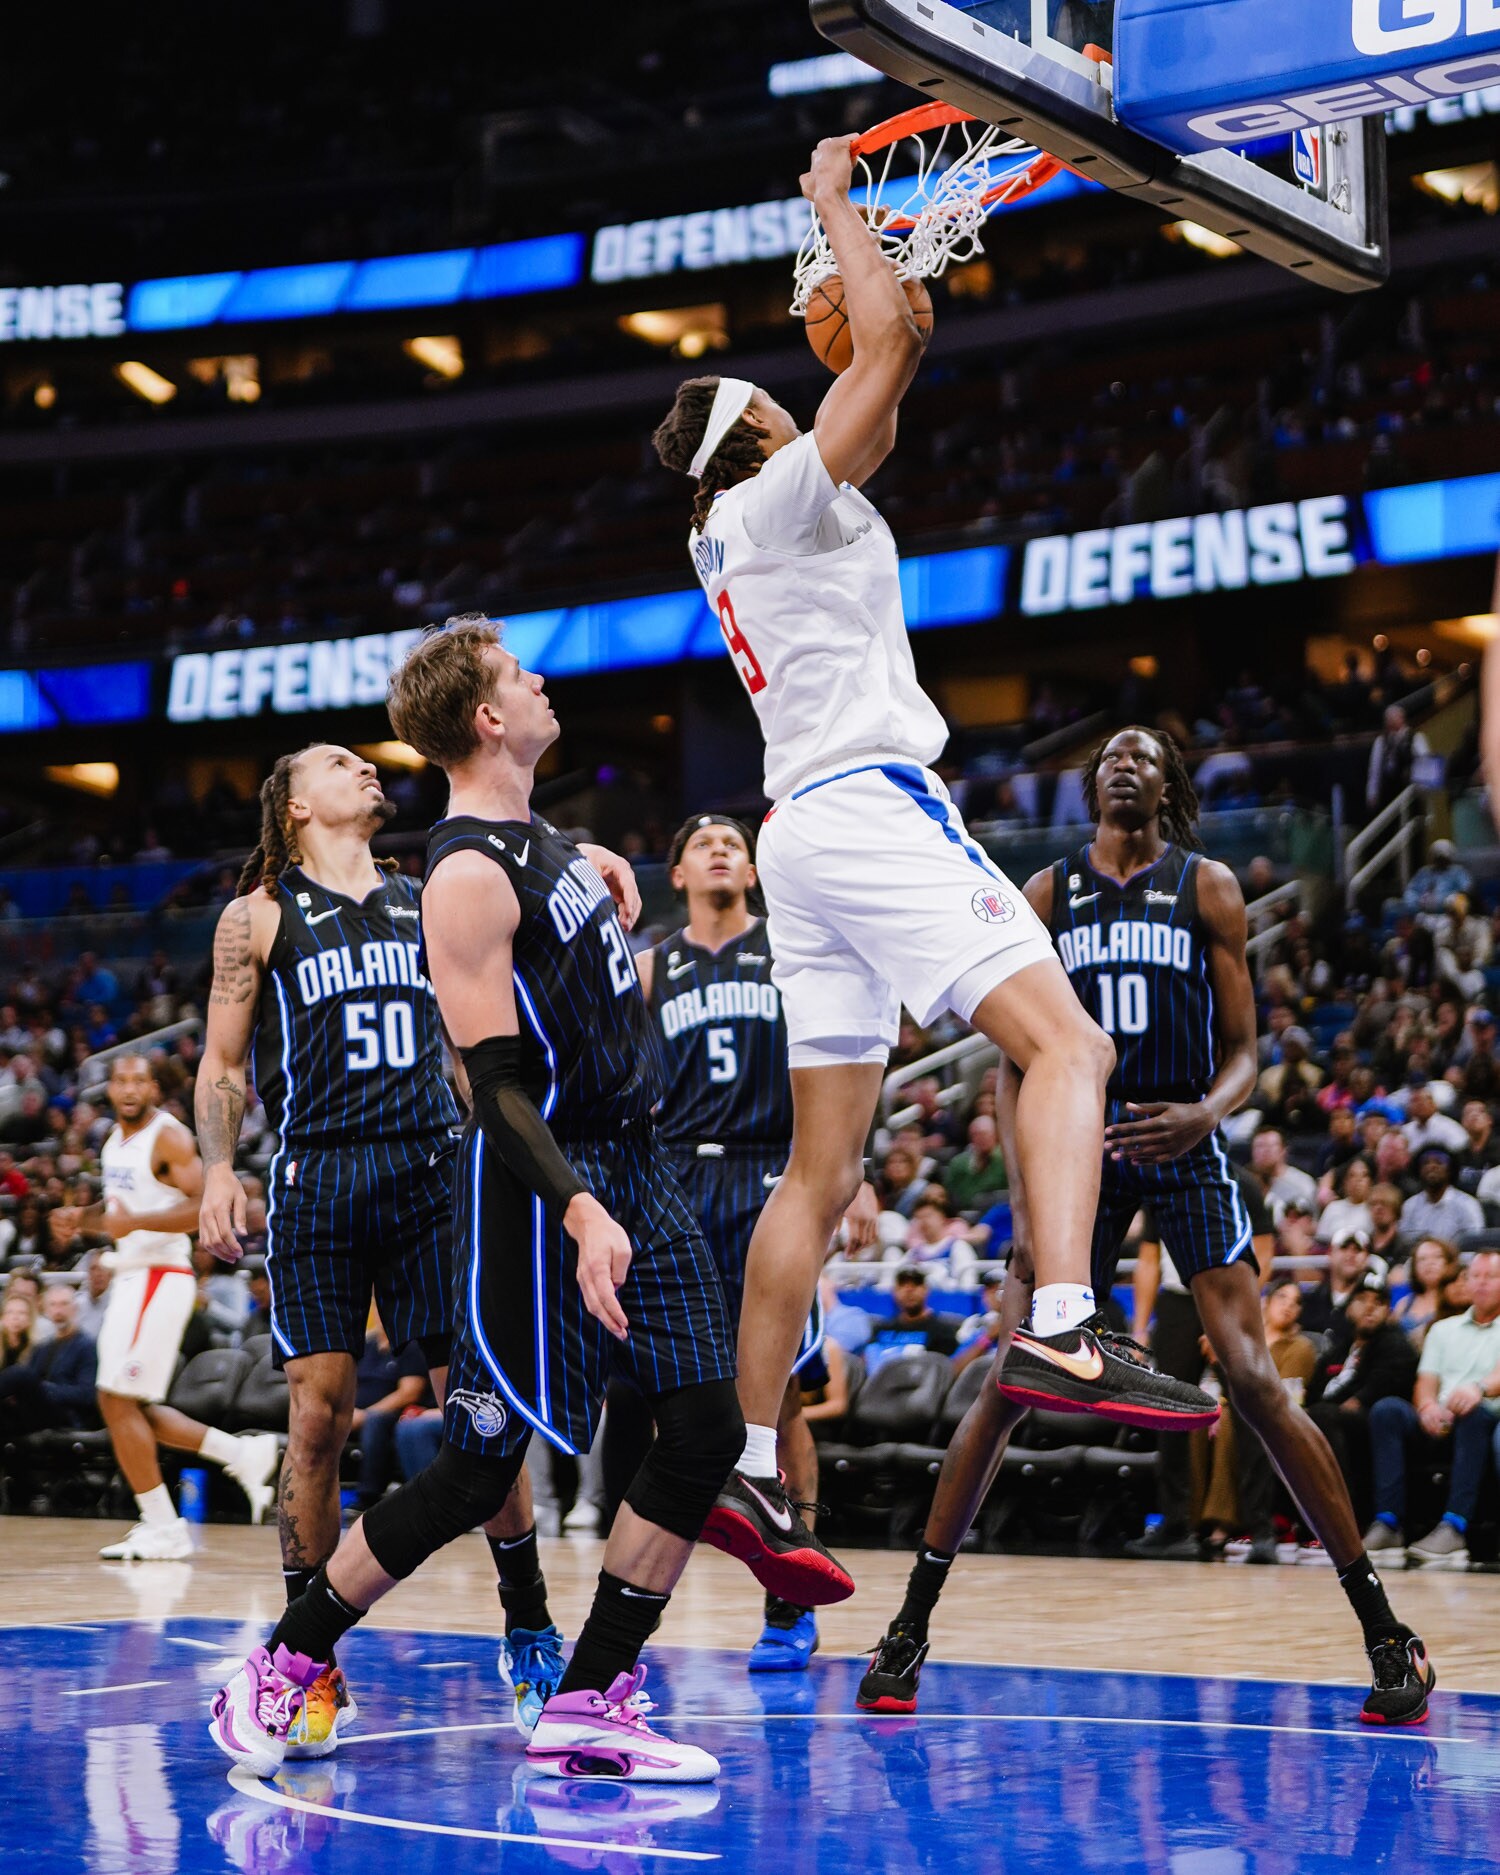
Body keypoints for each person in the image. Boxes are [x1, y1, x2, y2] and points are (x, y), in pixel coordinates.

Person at [652, 140, 1213, 1601]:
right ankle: (1070, 1317)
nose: (796, 397)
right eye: (776, 398)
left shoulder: (762, 516)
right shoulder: (771, 497)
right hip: (867, 805)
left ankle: (748, 1460)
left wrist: (885, 297)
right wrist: (838, 210)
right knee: (1071, 1044)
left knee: (819, 1170)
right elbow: (890, 352)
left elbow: (889, 381)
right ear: (751, 434)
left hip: (803, 833)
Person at [211, 621, 746, 1784]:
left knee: (709, 1430)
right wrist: (579, 1209)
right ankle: (285, 1661)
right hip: (543, 1189)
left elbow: (572, 967)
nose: (542, 680)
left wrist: (604, 872)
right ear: (491, 717)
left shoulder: (543, 844)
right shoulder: (459, 876)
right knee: (475, 1466)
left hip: (637, 1164)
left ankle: (592, 1696)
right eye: (519, 674)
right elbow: (497, 1082)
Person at [858, 726, 1434, 1726]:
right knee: (1010, 1377)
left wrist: (1206, 1113)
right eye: (1112, 756)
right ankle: (907, 1630)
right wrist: (1031, 1203)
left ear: (1168, 786)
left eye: (1144, 756)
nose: (1125, 763)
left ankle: (1386, 1633)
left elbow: (1245, 1050)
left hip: (1181, 1133)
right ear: (1093, 784)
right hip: (1077, 1143)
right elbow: (1015, 1060)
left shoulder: (1209, 886)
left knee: (1254, 1377)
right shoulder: (1047, 893)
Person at [196, 741, 564, 1752]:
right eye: (339, 763)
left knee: (478, 1405)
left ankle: (529, 1626)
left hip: (430, 1167)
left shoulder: (423, 897)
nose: (365, 769)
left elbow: (469, 1044)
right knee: (317, 1419)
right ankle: (310, 1659)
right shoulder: (257, 916)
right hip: (317, 1176)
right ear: (293, 805)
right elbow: (223, 1062)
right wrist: (220, 1168)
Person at [623, 810, 873, 1671]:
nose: (722, 849)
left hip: (778, 1177)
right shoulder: (650, 968)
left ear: (756, 870)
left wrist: (853, 1167)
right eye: (703, 842)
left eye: (734, 841)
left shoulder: (790, 950)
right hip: (680, 1181)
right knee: (679, 1406)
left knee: (785, 1399)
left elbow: (844, 1061)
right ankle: (637, 1605)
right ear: (678, 873)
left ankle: (788, 1603)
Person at [46, 1055, 277, 1562]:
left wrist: (133, 1225)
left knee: (115, 1400)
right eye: (120, 1080)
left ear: (153, 1087)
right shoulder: (114, 1141)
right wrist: (79, 1220)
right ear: (109, 1089)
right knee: (127, 1405)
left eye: (139, 1080)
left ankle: (164, 1525)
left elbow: (201, 1205)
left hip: (160, 1275)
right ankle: (240, 1453)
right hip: (132, 1275)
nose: (129, 1089)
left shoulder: (168, 1136)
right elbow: (118, 1214)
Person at [1365, 1248, 1500, 1570]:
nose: (1481, 1283)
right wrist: (1427, 1407)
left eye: (1491, 1276)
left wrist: (1478, 1389)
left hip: (1483, 1418)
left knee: (1474, 1413)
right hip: (1440, 1420)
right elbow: (1426, 1381)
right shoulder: (1443, 1329)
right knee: (1387, 1411)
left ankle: (1454, 1526)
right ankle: (1388, 1523)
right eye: (1475, 1276)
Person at [1306, 1273, 1419, 1527]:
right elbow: (1312, 1392)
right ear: (1349, 1307)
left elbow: (1372, 1392)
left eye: (1378, 1302)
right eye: (1362, 1299)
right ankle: (1283, 1519)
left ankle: (1342, 1519)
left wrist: (1319, 1411)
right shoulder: (1338, 1350)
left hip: (1372, 1426)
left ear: (1388, 1311)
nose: (1370, 1307)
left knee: (1324, 1417)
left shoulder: (1395, 1345)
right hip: (1328, 1417)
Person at [864, 1268, 961, 1369]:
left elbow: (943, 1370)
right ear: (894, 1291)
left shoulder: (943, 1331)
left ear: (926, 1290)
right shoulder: (881, 1329)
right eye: (903, 1285)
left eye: (916, 1284)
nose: (909, 1290)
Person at [1400, 1149, 1483, 1247]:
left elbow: (1474, 1244)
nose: (1431, 1167)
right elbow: (1404, 1243)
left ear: (1449, 1170)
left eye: (1439, 1162)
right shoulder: (1409, 1206)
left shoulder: (1467, 1205)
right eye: (1426, 1163)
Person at [1392, 1237, 1460, 1348]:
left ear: (1448, 1263)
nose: (1429, 1263)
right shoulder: (1403, 1304)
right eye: (1422, 1259)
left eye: (1437, 1257)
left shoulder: (1456, 1302)